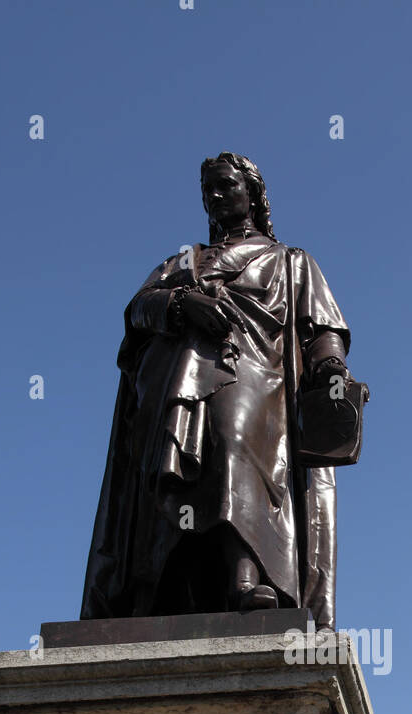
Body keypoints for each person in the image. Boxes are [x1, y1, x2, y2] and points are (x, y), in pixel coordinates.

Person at [81, 152, 353, 629]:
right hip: (175, 381)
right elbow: (138, 312)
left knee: (233, 449)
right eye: (208, 189)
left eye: (227, 186)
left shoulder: (289, 261)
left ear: (253, 193)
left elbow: (321, 327)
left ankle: (249, 578)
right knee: (174, 469)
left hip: (255, 372)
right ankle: (169, 587)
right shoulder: (182, 261)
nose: (216, 196)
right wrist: (183, 303)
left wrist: (331, 369)